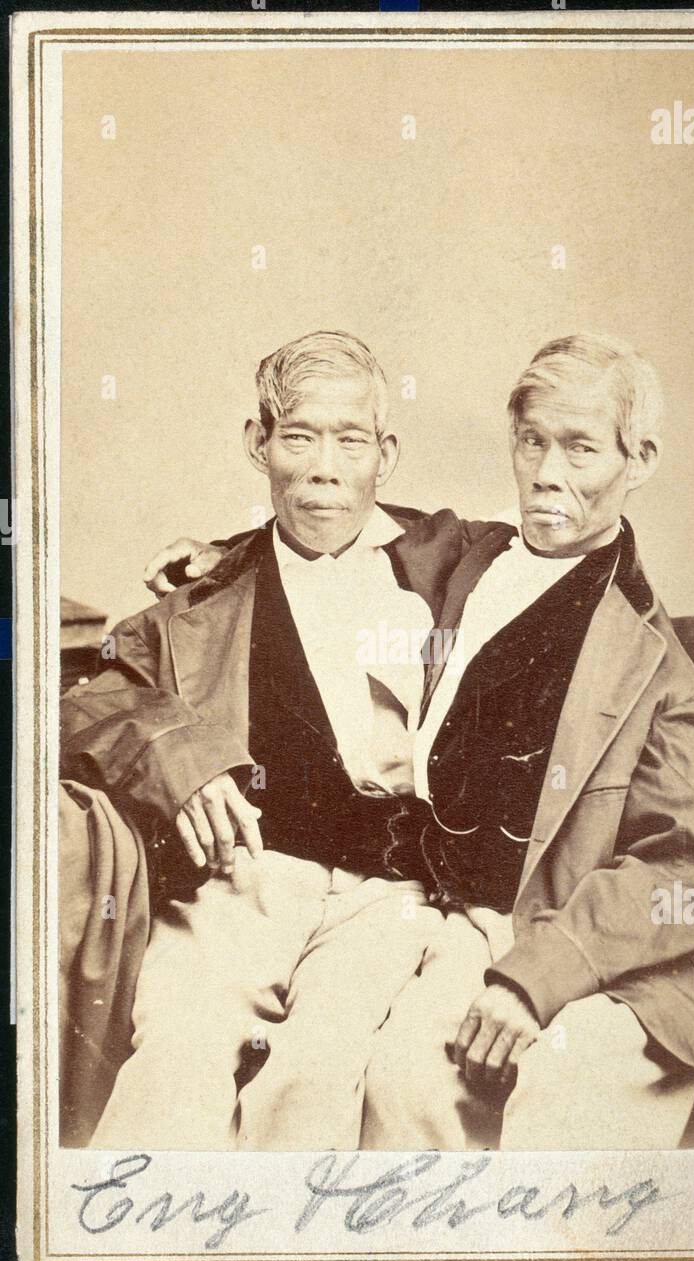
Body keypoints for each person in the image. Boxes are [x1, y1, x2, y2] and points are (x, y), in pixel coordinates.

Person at [140, 334, 694, 1151]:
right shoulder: (467, 553)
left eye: (580, 448)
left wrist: (540, 976)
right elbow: (325, 525)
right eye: (532, 441)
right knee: (375, 1078)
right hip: (442, 914)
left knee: (415, 1088)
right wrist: (214, 559)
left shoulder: (658, 665)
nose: (549, 474)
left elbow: (690, 870)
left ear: (638, 458)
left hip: (552, 923)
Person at [61, 330, 496, 1150]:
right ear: (257, 444)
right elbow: (89, 697)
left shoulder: (462, 560)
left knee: (316, 1076)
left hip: (389, 895)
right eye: (298, 436)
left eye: (350, 439)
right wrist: (178, 757)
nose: (325, 465)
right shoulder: (207, 593)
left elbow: (578, 567)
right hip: (241, 883)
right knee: (173, 1061)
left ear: (386, 453)